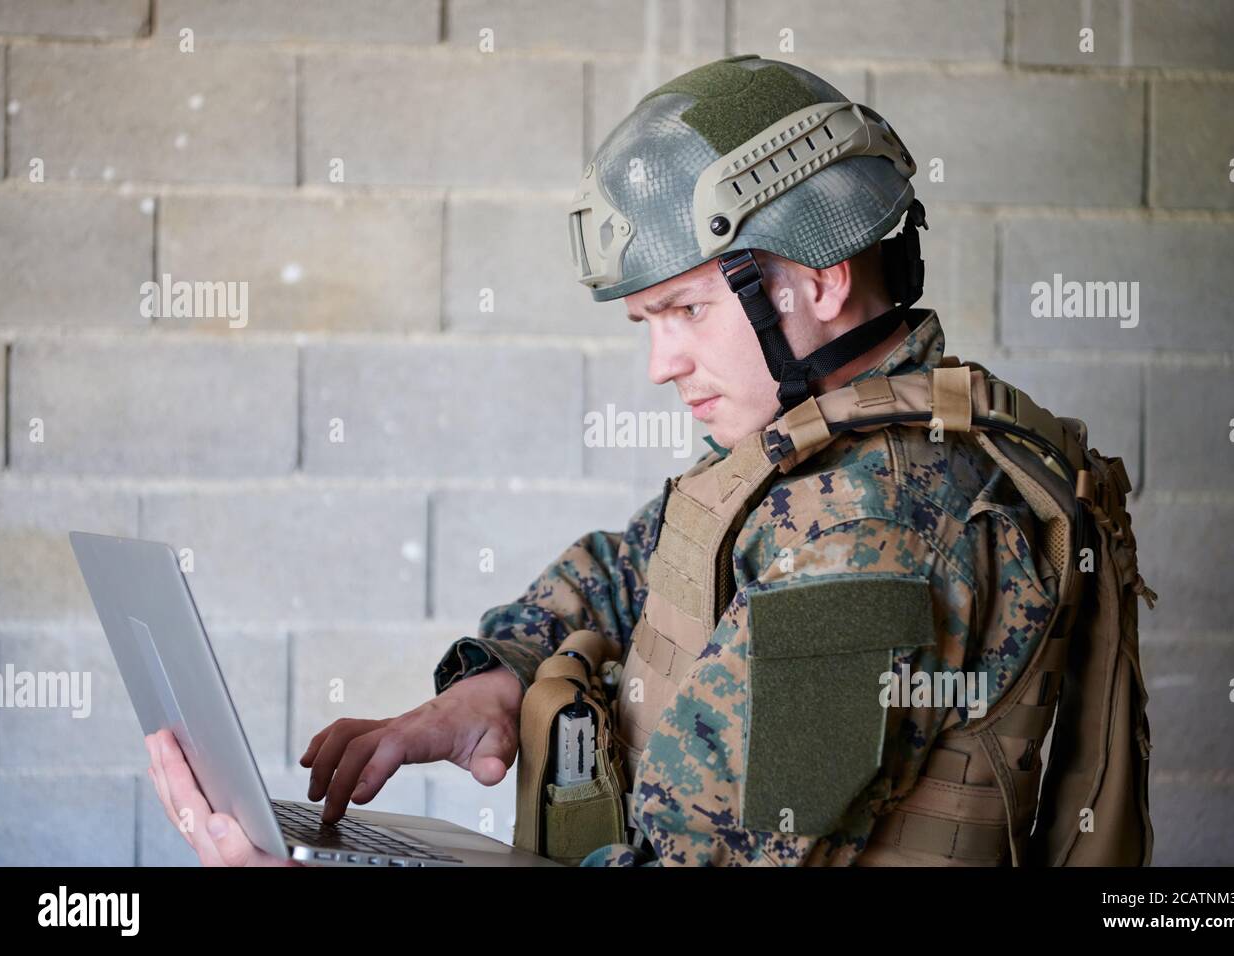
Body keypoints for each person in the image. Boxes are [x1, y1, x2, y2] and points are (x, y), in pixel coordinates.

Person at [146, 54, 1071, 867]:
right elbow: (639, 570)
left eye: (686, 311)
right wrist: (494, 682)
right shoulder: (804, 467)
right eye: (649, 323)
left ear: (817, 279)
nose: (662, 364)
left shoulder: (878, 532)